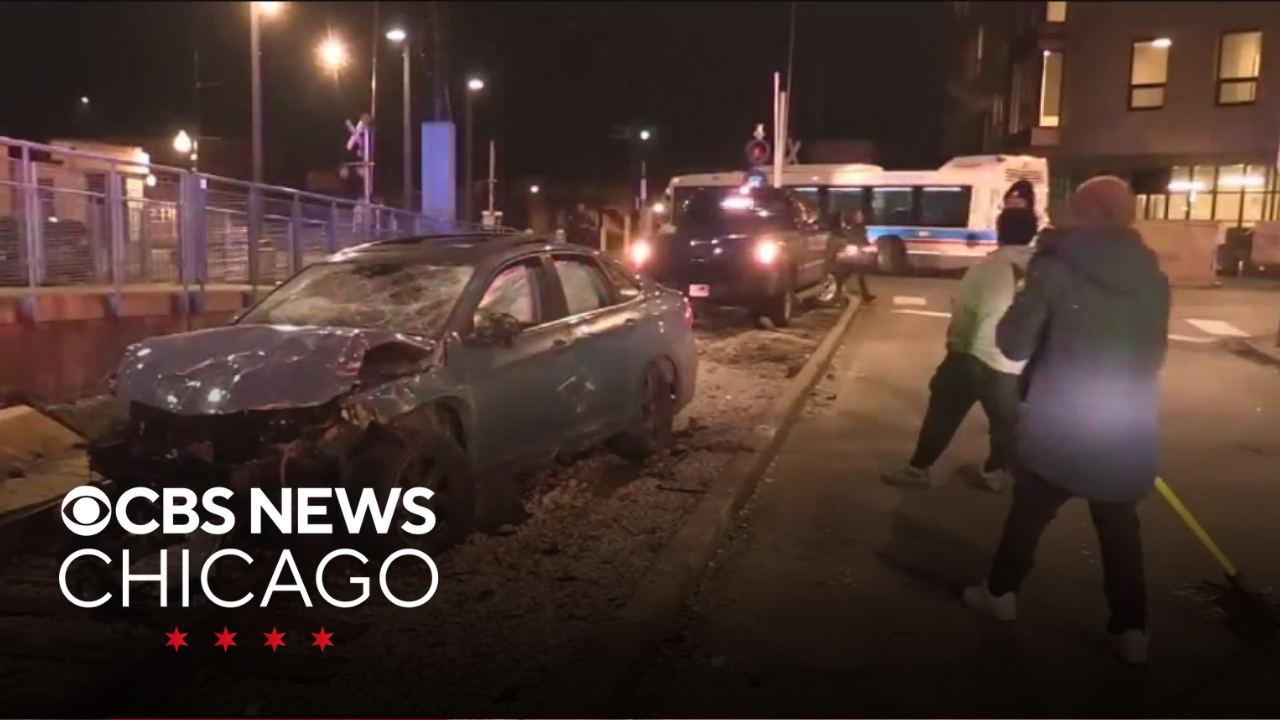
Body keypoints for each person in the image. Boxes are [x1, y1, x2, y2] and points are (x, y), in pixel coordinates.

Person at [960, 176, 1171, 667]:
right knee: (1118, 523)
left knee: (1030, 509)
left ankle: (1001, 594)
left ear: (1090, 213)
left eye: (1074, 208)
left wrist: (1028, 298)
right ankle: (1132, 628)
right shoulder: (1153, 277)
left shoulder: (1054, 270)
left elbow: (1013, 344)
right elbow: (1154, 355)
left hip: (1062, 416)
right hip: (1125, 419)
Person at [881, 202, 1039, 492]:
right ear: (1032, 234)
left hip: (975, 355)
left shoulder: (986, 268)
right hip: (1016, 363)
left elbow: (966, 314)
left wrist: (955, 349)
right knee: (1006, 423)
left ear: (999, 232)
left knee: (943, 412)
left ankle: (918, 469)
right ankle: (995, 472)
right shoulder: (1043, 270)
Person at [835, 208, 876, 303]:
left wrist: (868, 245)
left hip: (857, 254)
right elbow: (853, 239)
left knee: (854, 274)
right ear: (855, 217)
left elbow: (863, 239)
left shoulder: (860, 227)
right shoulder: (854, 228)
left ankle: (865, 296)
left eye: (861, 215)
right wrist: (864, 246)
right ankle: (837, 292)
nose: (862, 216)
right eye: (859, 215)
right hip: (854, 255)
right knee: (848, 274)